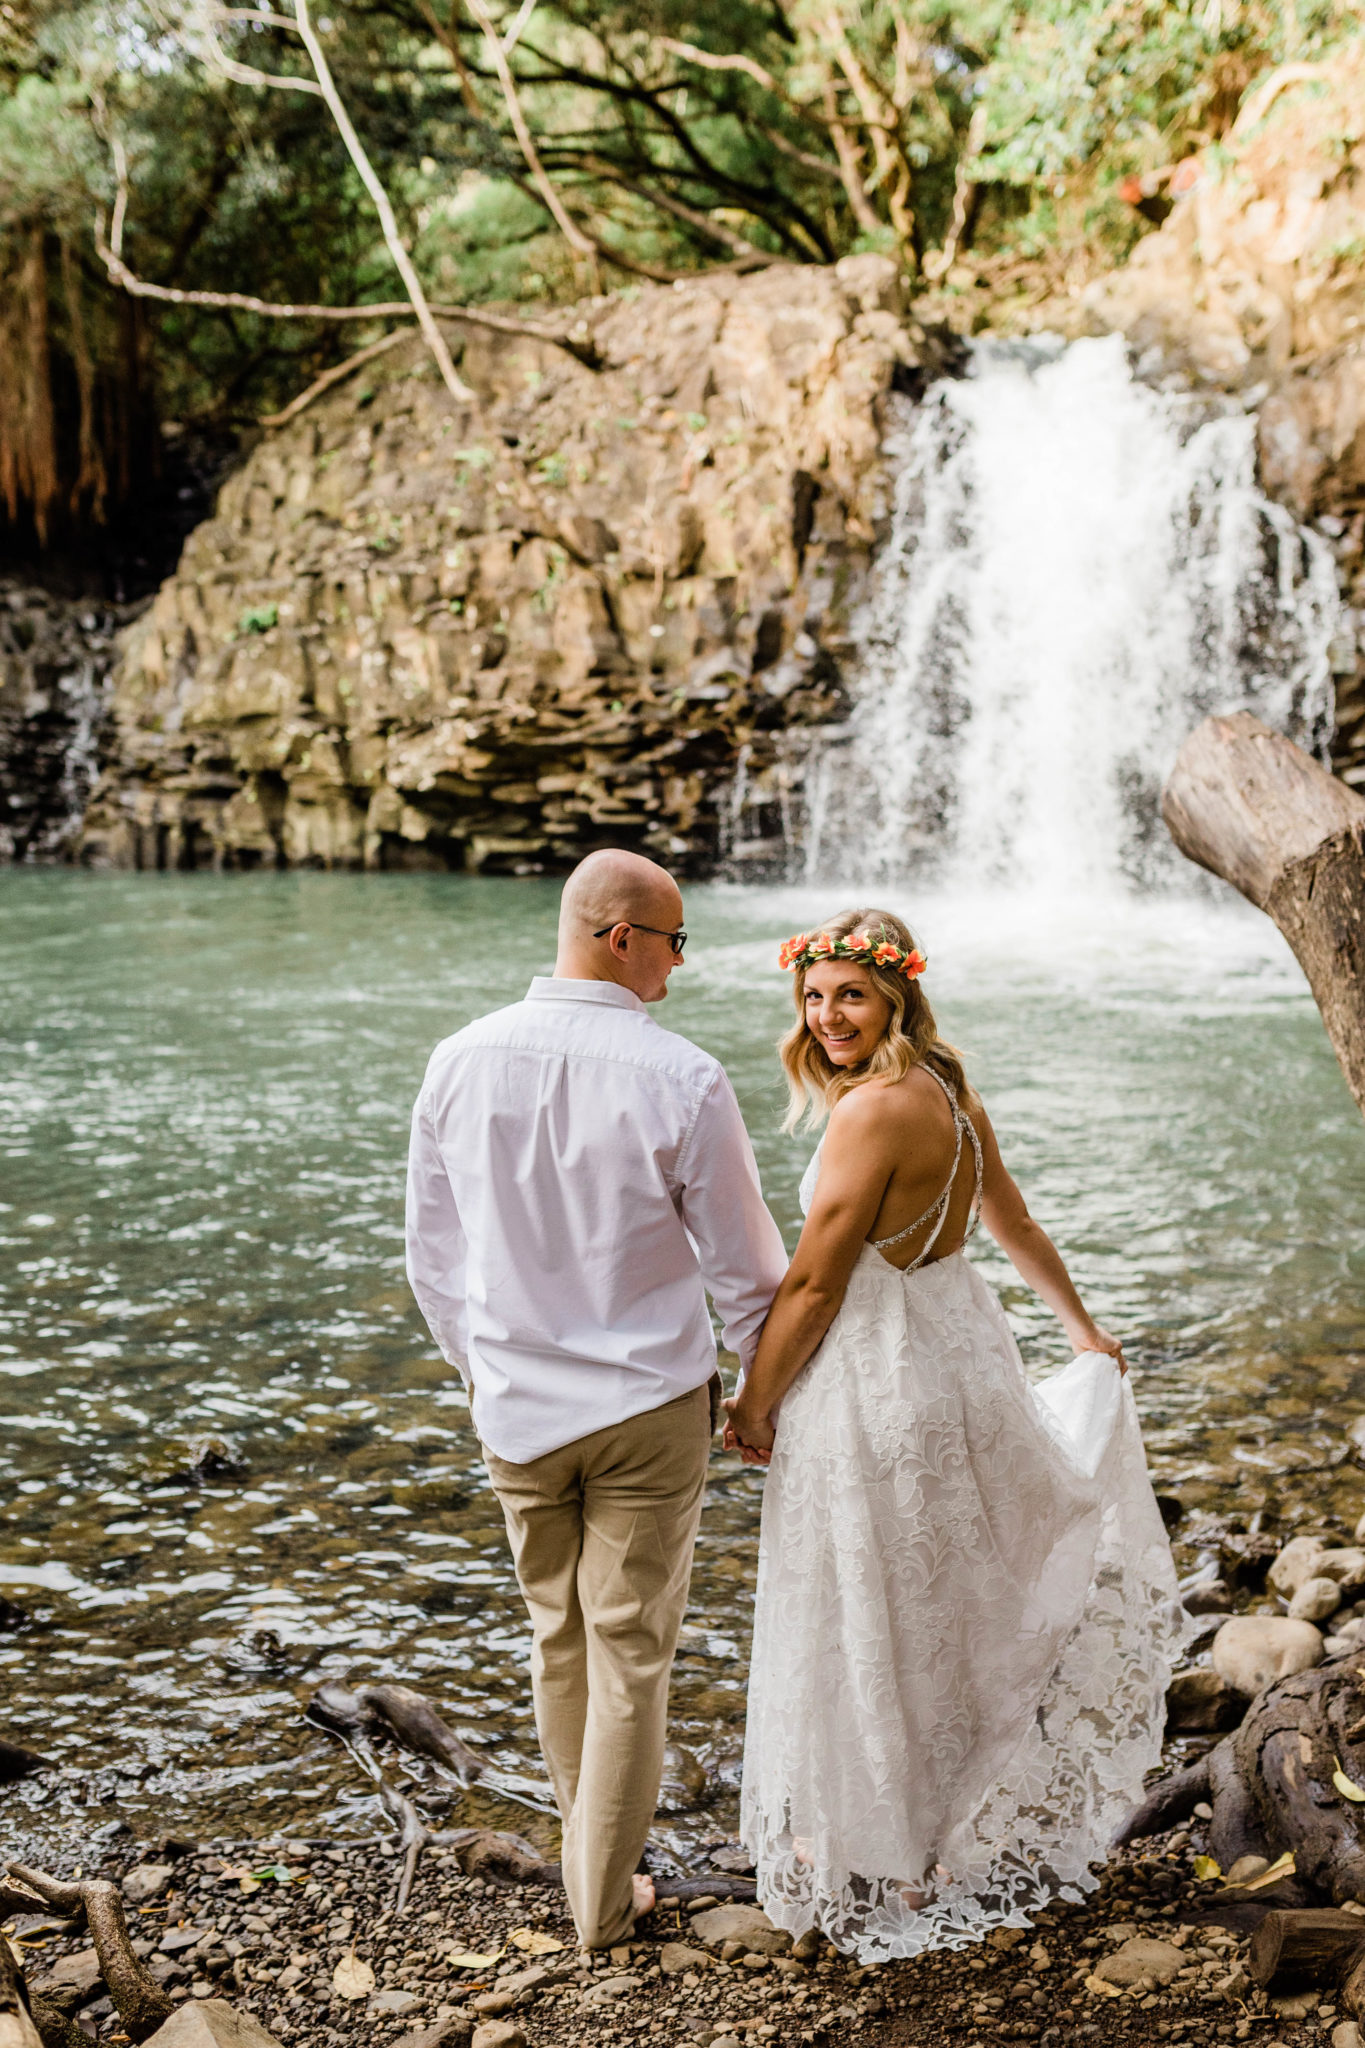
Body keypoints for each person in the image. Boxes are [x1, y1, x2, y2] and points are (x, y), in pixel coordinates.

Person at [726, 907, 1186, 1962]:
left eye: (849, 991)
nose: (827, 1013)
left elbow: (814, 1279)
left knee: (868, 1611)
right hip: (957, 1365)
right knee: (942, 1610)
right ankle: (923, 1833)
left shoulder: (872, 1111)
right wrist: (1081, 1330)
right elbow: (1011, 1223)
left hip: (876, 1386)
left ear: (895, 993)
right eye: (813, 993)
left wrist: (753, 1403)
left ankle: (878, 1846)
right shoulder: (950, 1093)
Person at [405, 848, 787, 1951]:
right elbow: (746, 1273)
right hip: (647, 1405)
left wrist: (484, 1373)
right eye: (673, 939)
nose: (678, 961)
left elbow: (433, 1259)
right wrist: (758, 1396)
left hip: (517, 1404)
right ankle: (604, 1904)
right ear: (620, 935)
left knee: (556, 1638)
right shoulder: (684, 1076)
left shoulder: (459, 1059)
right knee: (629, 1650)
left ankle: (590, 1865)